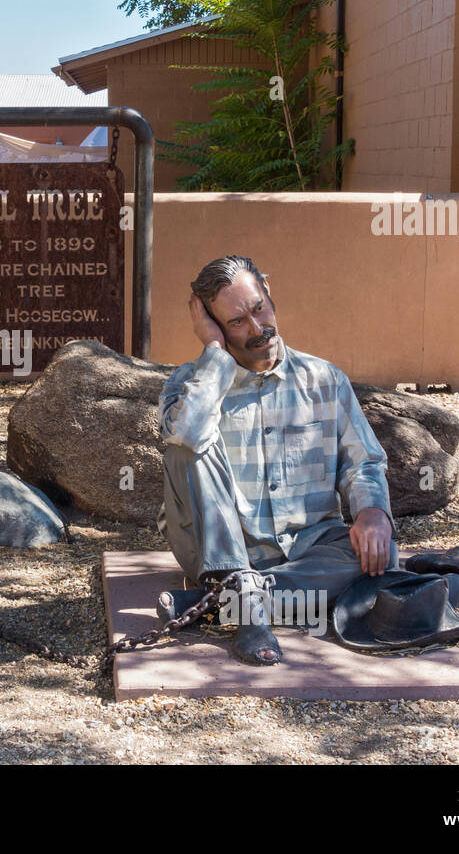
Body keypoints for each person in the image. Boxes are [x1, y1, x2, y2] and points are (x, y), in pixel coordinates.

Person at [156, 255, 398, 666]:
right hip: (221, 547)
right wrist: (214, 352)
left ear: (269, 292)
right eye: (235, 322)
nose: (256, 329)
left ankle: (227, 601)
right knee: (188, 442)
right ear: (213, 326)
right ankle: (236, 588)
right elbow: (189, 433)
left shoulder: (326, 379)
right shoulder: (191, 384)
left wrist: (372, 511)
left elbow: (364, 462)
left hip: (310, 543)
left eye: (259, 308)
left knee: (379, 559)